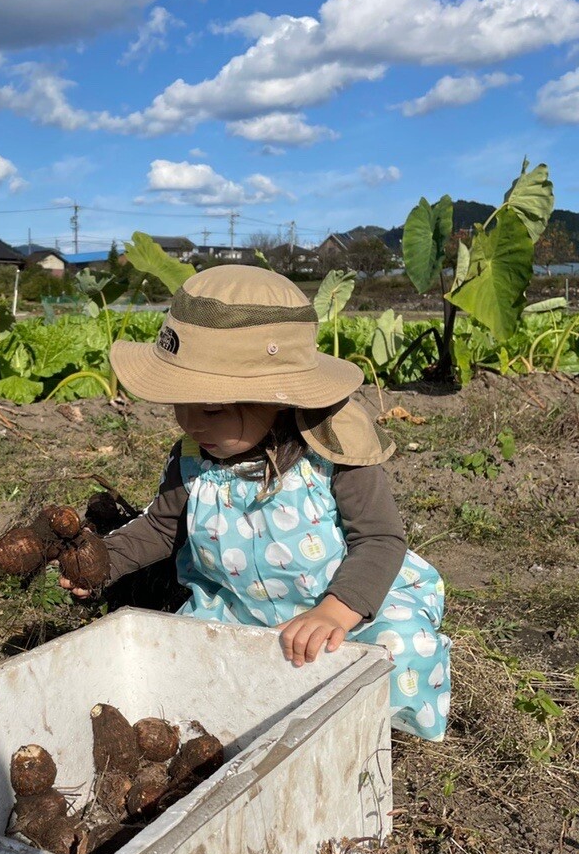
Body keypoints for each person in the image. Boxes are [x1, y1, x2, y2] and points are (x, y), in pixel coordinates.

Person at [62, 264, 450, 742]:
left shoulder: (334, 448)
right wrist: (104, 562)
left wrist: (335, 612)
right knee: (180, 665)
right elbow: (162, 528)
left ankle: (373, 733)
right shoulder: (193, 455)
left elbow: (379, 538)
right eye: (179, 404)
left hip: (344, 605)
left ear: (277, 399)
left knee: (401, 644)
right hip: (238, 609)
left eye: (210, 408)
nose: (191, 423)